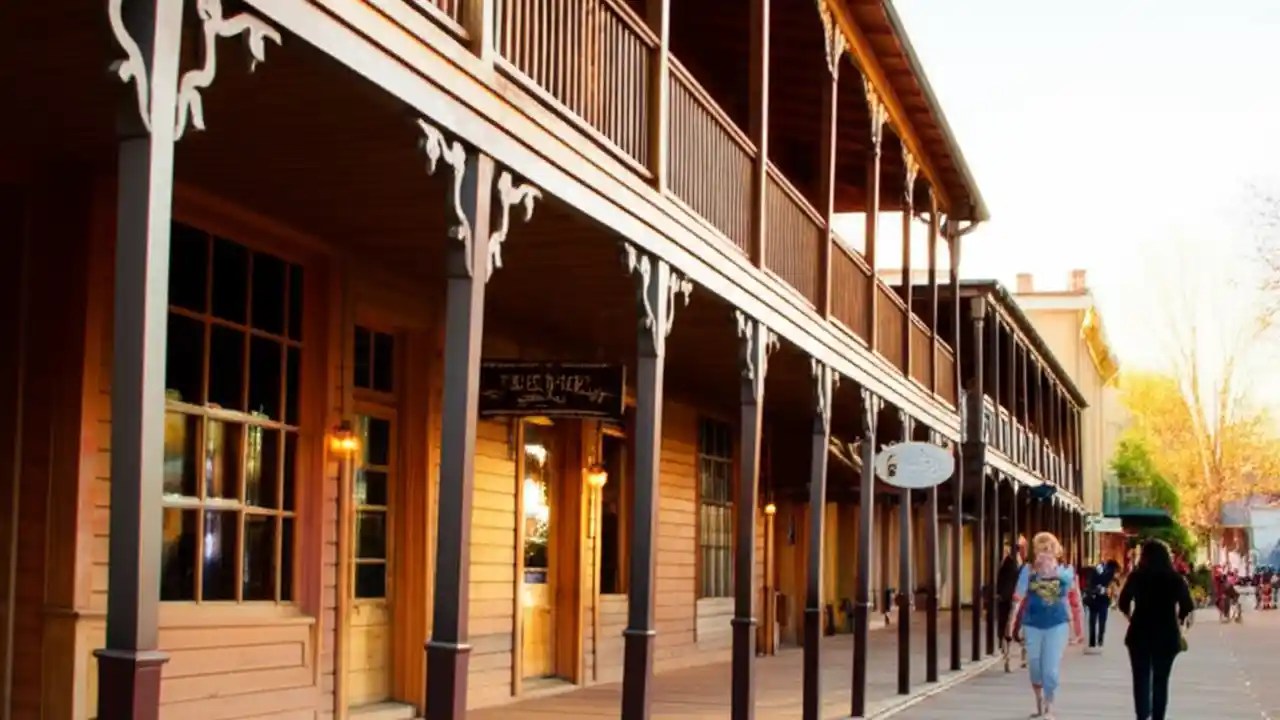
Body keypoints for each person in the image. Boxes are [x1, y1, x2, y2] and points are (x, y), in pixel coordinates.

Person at [1007, 532, 1084, 720]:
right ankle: (1039, 701)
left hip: (1056, 624)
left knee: (1050, 669)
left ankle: (1050, 706)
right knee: (1034, 666)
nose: (1045, 552)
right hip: (1032, 623)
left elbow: (1073, 595)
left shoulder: (1065, 570)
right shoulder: (1028, 570)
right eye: (1041, 549)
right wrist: (1011, 624)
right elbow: (1018, 598)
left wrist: (1078, 628)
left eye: (1049, 548)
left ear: (1056, 550)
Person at [1118, 539, 1194, 720]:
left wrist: (1130, 617)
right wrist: (1180, 621)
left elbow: (1123, 602)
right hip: (1167, 635)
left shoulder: (1136, 577)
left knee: (1141, 679)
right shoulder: (1176, 579)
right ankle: (1159, 716)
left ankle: (1142, 715)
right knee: (1161, 680)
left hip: (1139, 633)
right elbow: (1187, 606)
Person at [997, 535, 1028, 672]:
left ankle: (1020, 657)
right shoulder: (1010, 563)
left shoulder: (1024, 565)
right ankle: (1008, 657)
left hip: (1018, 599)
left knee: (1019, 629)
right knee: (1009, 628)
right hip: (1011, 599)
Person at [1083, 559, 1119, 654]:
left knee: (1092, 621)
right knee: (1102, 621)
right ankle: (1100, 641)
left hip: (1093, 598)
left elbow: (1089, 582)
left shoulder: (1095, 569)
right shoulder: (1110, 573)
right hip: (1103, 600)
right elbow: (1114, 586)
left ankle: (1092, 642)